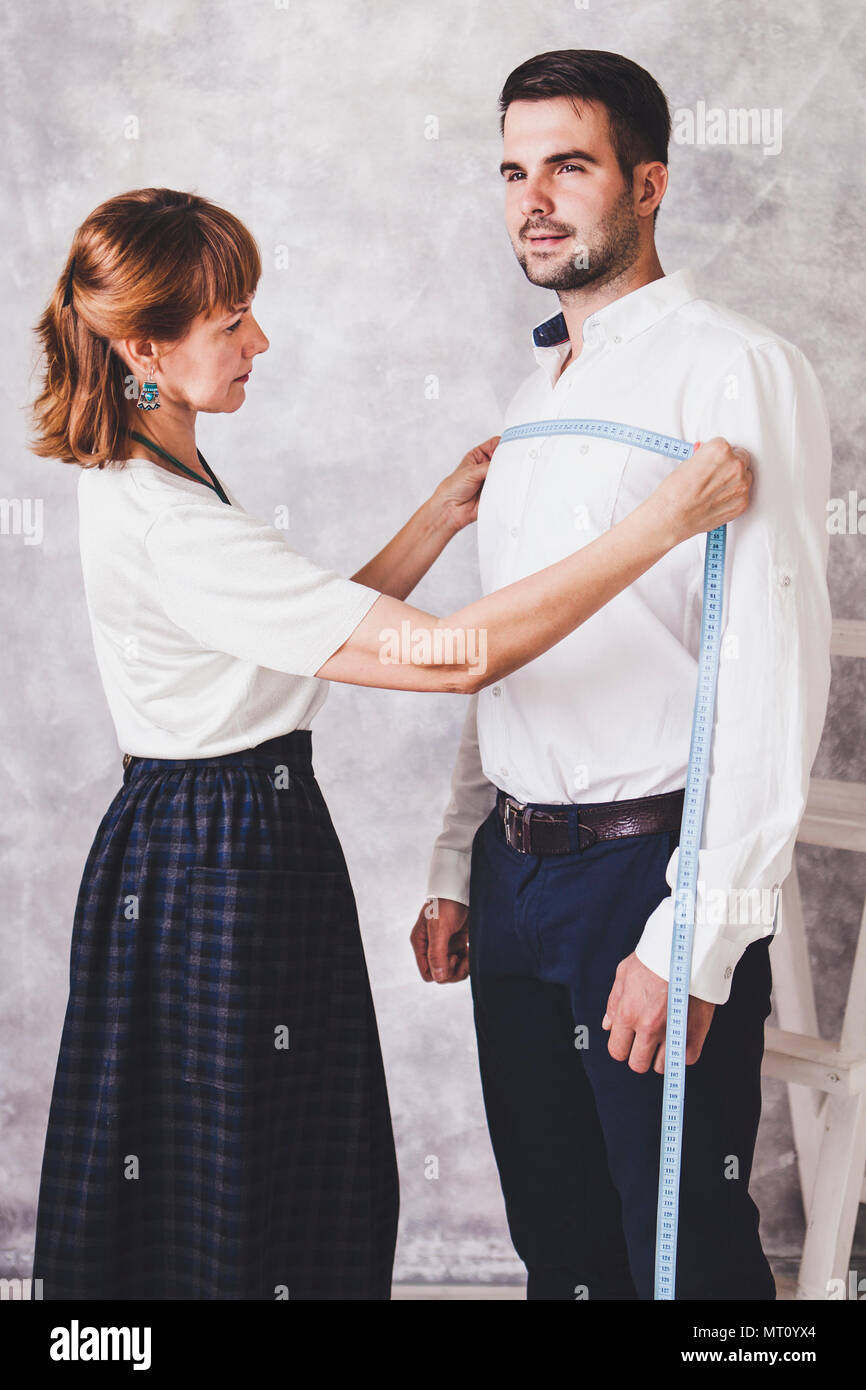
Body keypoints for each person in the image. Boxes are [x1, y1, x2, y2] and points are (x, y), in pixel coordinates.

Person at [28, 185, 750, 1302]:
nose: (258, 340)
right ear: (143, 346)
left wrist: (437, 514)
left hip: (224, 834)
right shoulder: (166, 521)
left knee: (270, 1157)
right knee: (234, 1167)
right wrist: (658, 522)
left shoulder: (159, 465)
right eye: (230, 322)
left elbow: (288, 638)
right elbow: (447, 655)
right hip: (210, 860)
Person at [413, 49, 833, 1301]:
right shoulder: (534, 387)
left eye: (568, 165)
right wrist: (454, 857)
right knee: (564, 1256)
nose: (531, 198)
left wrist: (689, 937)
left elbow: (768, 669)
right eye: (511, 170)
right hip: (516, 874)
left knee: (686, 1264)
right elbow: (503, 641)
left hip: (644, 876)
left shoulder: (731, 368)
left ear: (646, 184)